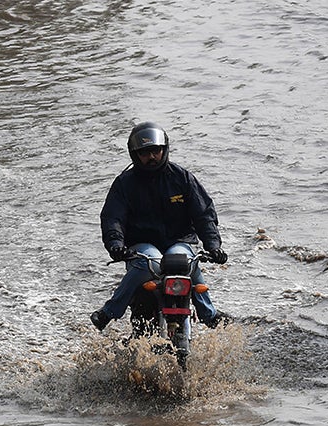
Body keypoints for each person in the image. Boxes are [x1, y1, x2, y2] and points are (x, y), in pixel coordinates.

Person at [90, 122, 230, 332]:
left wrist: (213, 246)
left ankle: (208, 314)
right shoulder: (124, 184)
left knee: (187, 262)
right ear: (134, 154)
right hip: (141, 246)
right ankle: (109, 312)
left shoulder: (182, 178)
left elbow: (204, 214)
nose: (151, 157)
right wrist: (116, 244)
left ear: (164, 149)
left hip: (179, 241)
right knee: (151, 262)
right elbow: (113, 218)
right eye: (145, 153)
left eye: (155, 151)